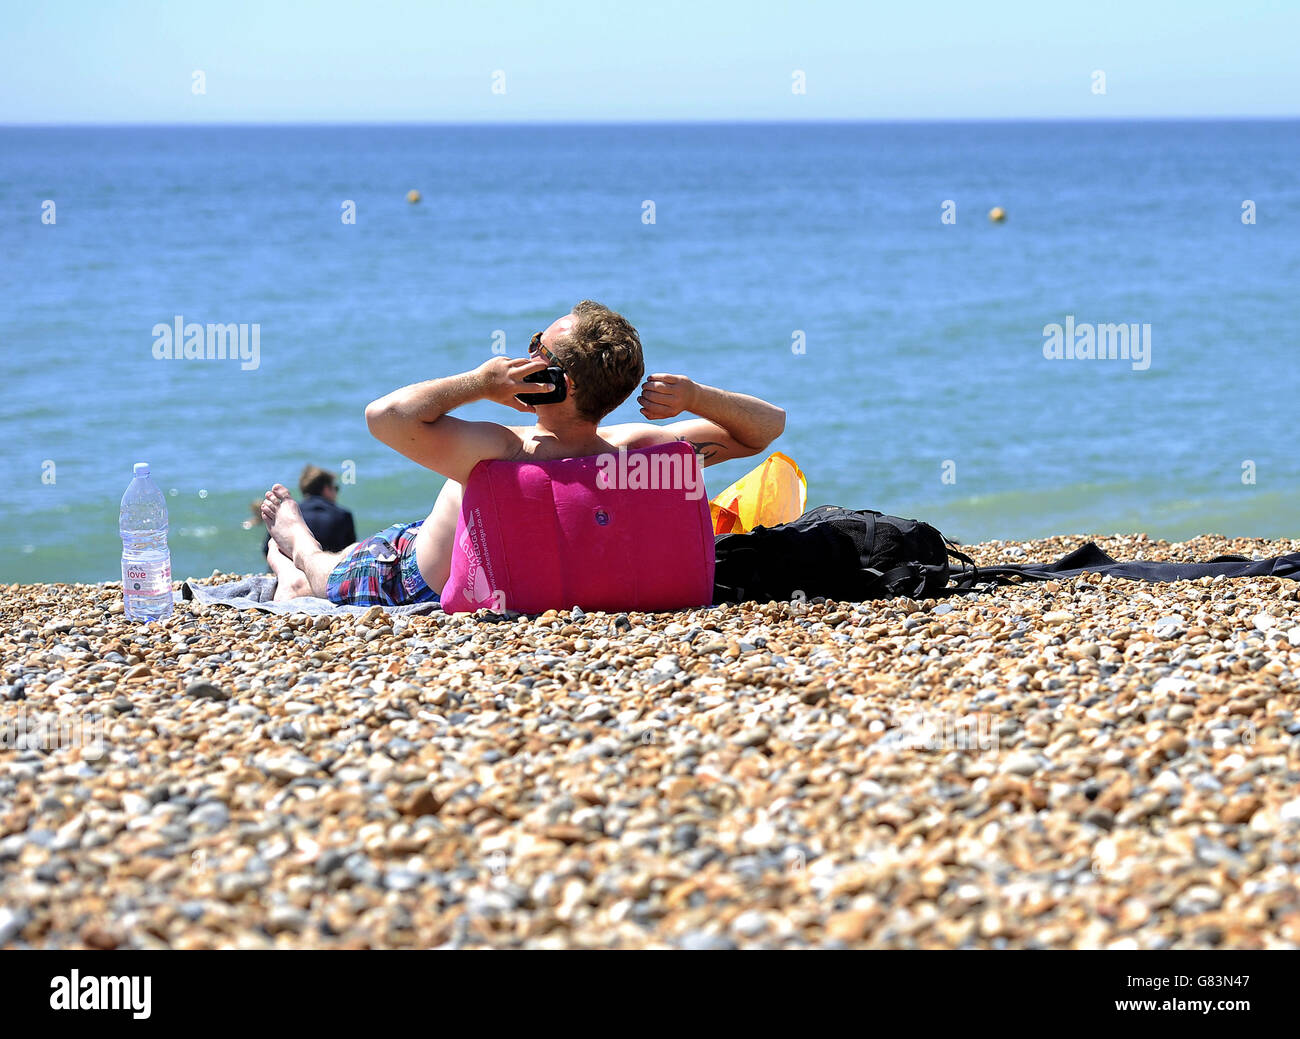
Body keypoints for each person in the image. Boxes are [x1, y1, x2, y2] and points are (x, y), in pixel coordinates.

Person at [261, 300, 785, 604]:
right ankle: (287, 572)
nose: (525, 353)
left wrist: (481, 382)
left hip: (410, 571)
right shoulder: (640, 453)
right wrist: (697, 398)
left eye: (537, 350)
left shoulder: (498, 451)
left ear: (554, 382)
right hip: (451, 542)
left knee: (325, 571)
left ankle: (294, 542)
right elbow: (766, 428)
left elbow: (383, 417)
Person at [259, 465, 357, 565]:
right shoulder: (343, 515)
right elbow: (351, 556)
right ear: (326, 489)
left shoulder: (285, 513)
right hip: (330, 569)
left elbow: (266, 551)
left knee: (274, 546)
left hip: (291, 569)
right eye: (335, 488)